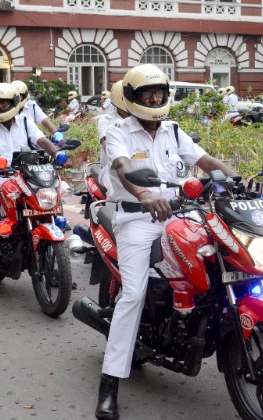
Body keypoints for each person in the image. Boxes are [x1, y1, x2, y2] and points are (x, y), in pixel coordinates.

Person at [94, 64, 237, 420]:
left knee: (226, 261)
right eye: (147, 95)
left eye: (158, 93)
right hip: (137, 220)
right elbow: (125, 168)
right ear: (132, 98)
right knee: (133, 294)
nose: (154, 100)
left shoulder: (174, 132)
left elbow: (204, 160)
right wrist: (143, 194)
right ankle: (110, 384)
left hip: (180, 215)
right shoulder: (118, 131)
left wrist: (238, 181)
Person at [0, 83, 63, 305]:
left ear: (14, 104)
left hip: (23, 176)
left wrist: (57, 153)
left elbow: (41, 140)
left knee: (50, 207)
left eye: (4, 102)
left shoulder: (25, 121)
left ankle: (56, 266)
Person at [95, 81, 129, 190]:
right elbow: (106, 145)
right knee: (115, 191)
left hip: (137, 168)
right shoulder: (106, 120)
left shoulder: (138, 119)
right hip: (110, 169)